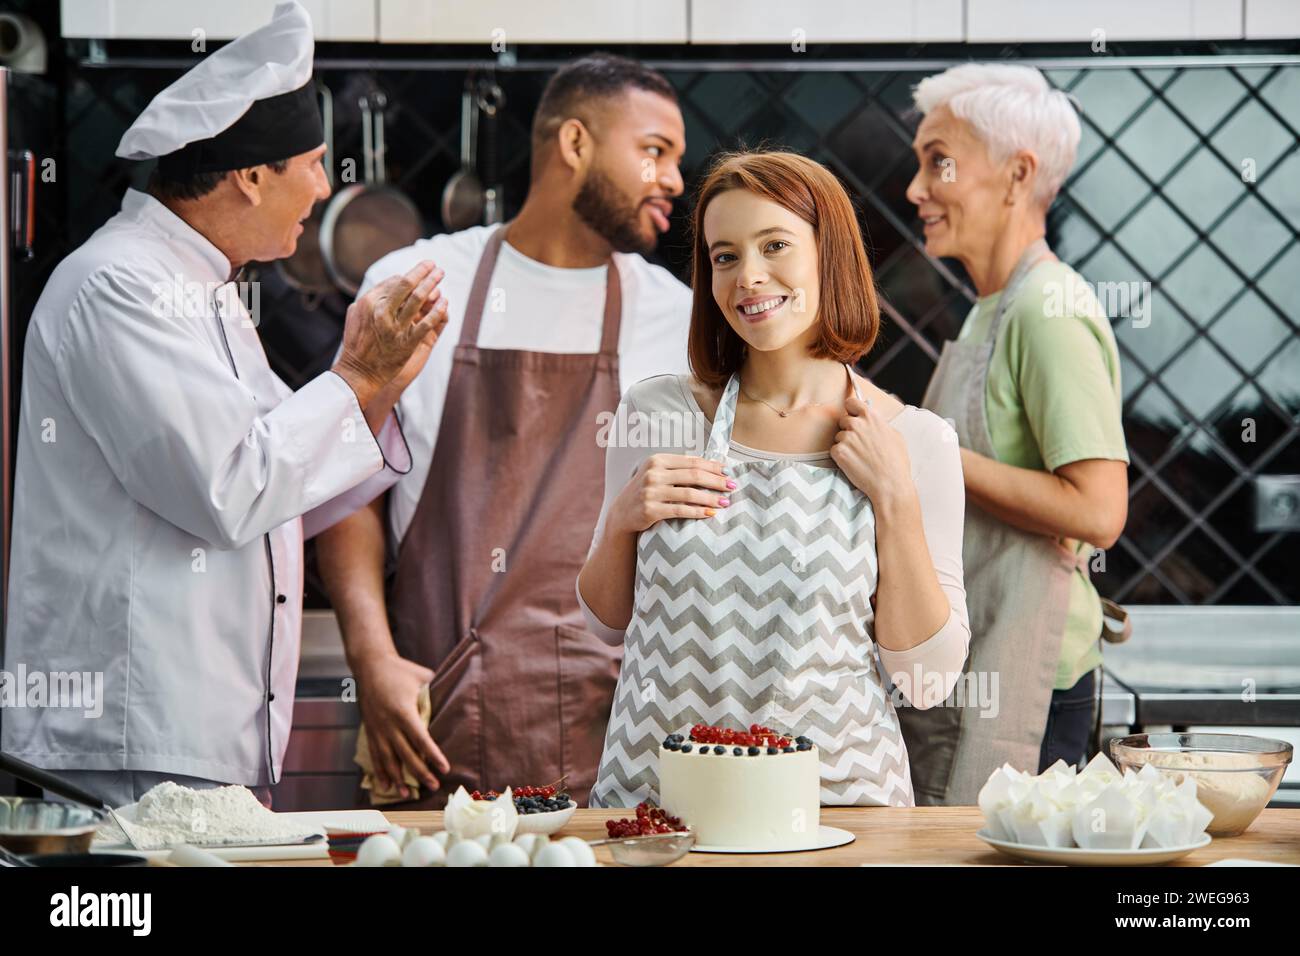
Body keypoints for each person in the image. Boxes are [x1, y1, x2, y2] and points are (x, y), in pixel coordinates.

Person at [0, 2, 447, 808]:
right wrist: (356, 374)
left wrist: (382, 384)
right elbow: (232, 488)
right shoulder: (121, 287)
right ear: (249, 176)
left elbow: (298, 479)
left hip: (188, 736)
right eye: (312, 163)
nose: (322, 186)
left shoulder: (204, 289)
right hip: (132, 739)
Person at [314, 54, 692, 807]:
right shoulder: (422, 282)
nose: (675, 180)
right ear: (575, 144)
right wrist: (371, 654)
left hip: (616, 728)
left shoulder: (674, 315)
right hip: (438, 719)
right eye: (655, 151)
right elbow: (347, 482)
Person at [582, 150, 970, 809]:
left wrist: (895, 499)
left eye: (775, 245)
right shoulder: (657, 414)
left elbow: (927, 681)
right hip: (662, 813)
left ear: (832, 255)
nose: (748, 278)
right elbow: (604, 624)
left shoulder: (914, 441)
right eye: (725, 256)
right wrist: (621, 521)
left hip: (837, 817)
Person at [898, 63, 1130, 804]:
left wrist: (926, 451)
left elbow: (1098, 511)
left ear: (1016, 175)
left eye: (940, 162)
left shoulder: (1048, 309)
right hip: (980, 652)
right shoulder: (990, 308)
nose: (915, 190)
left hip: (1033, 671)